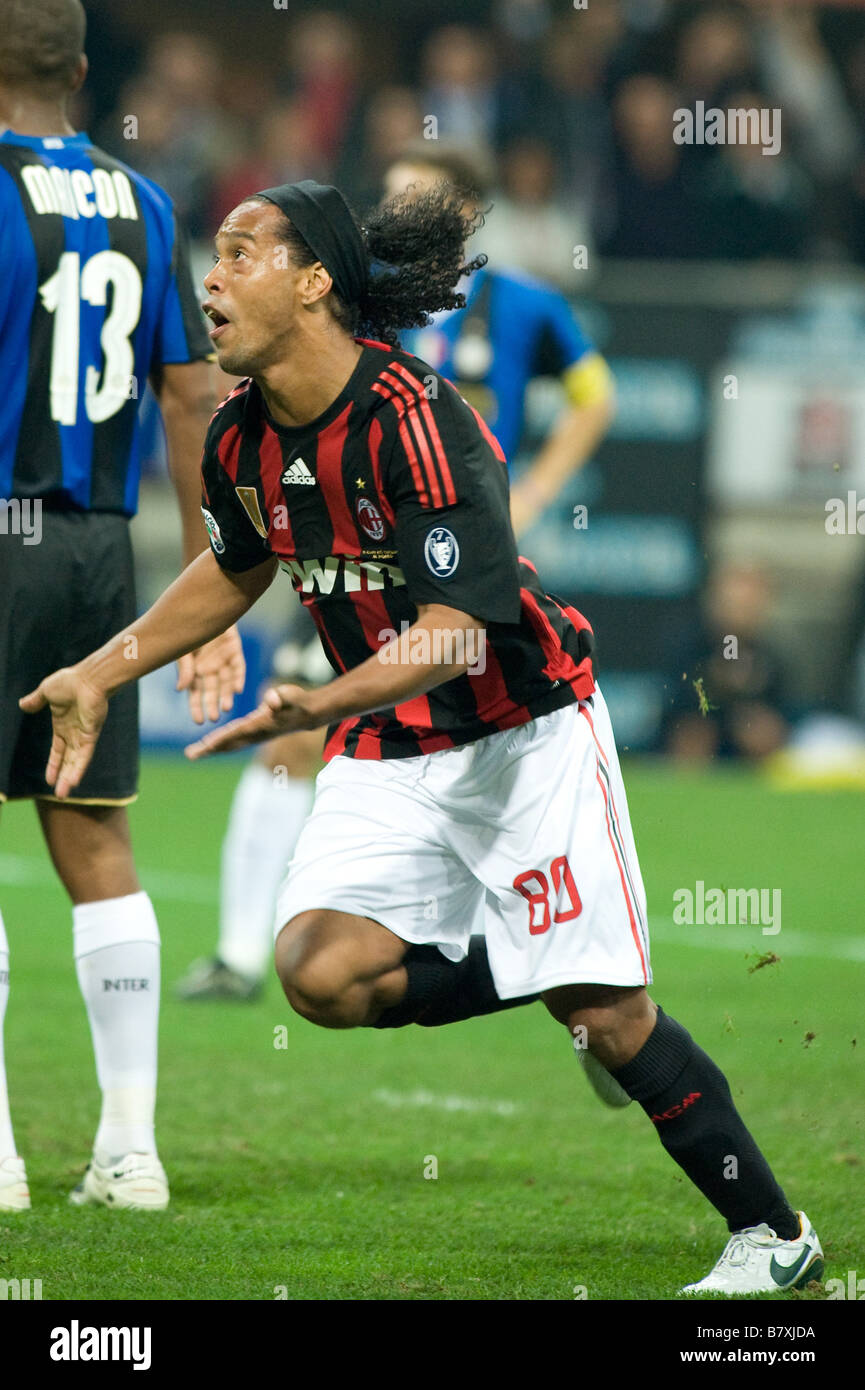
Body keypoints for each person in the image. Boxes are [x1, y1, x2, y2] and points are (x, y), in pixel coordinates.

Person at [22, 179, 823, 1294]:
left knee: (609, 1016)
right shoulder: (242, 434)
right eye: (213, 255)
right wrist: (101, 671)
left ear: (313, 283)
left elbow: (458, 634)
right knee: (318, 974)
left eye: (240, 253)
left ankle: (773, 1233)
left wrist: (321, 699)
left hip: (521, 728)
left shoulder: (417, 417)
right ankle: (556, 957)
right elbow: (237, 563)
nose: (210, 278)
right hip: (390, 742)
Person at [178, 141, 616, 1002]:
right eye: (394, 194)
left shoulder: (525, 305)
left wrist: (531, 486)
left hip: (467, 554)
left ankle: (567, 959)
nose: (399, 212)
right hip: (356, 559)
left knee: (487, 713)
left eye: (421, 198)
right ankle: (239, 948)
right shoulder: (361, 312)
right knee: (296, 733)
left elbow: (594, 395)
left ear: (462, 213)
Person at [0, 0, 244, 1213]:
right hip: (98, 553)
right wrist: (210, 585)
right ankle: (130, 1152)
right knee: (97, 842)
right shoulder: (145, 203)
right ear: (85, 74)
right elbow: (195, 404)